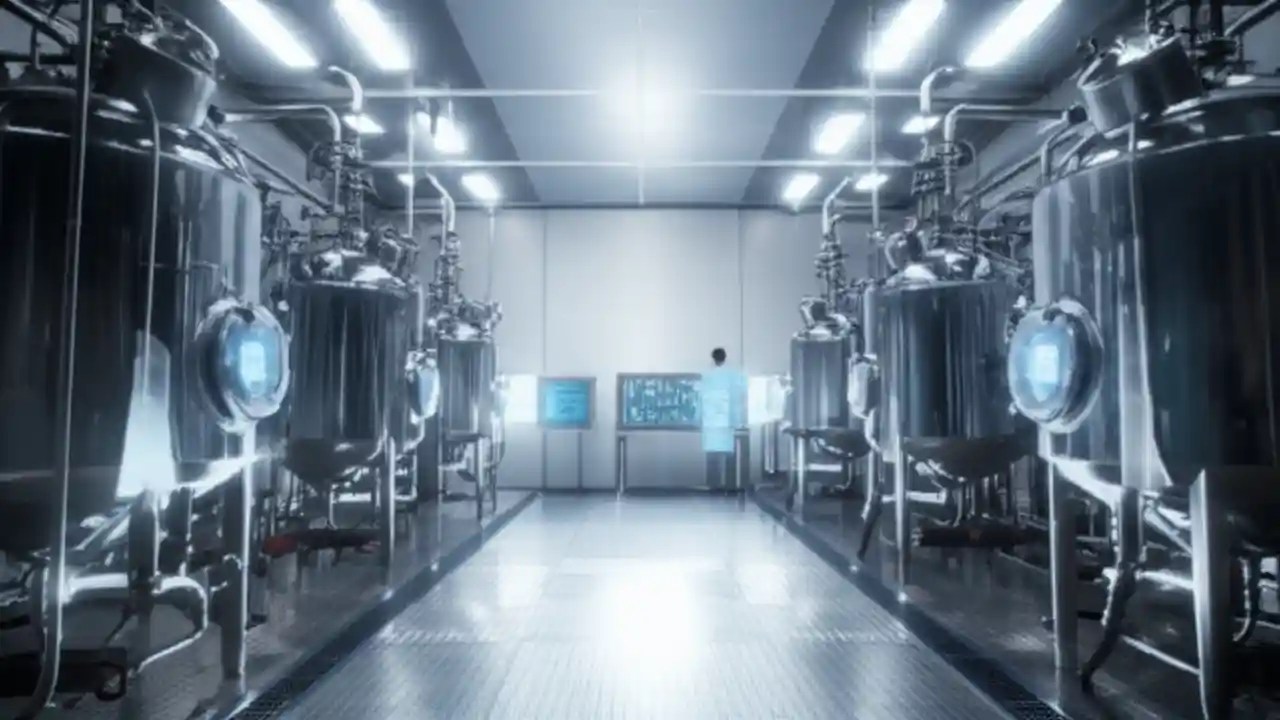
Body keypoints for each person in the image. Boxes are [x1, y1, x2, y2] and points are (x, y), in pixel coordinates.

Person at [699, 347, 746, 491]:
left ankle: (713, 487)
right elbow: (738, 399)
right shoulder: (733, 375)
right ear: (725, 358)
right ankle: (730, 487)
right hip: (727, 423)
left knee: (712, 457)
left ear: (713, 359)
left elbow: (701, 399)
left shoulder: (706, 376)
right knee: (729, 457)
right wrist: (739, 421)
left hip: (711, 424)